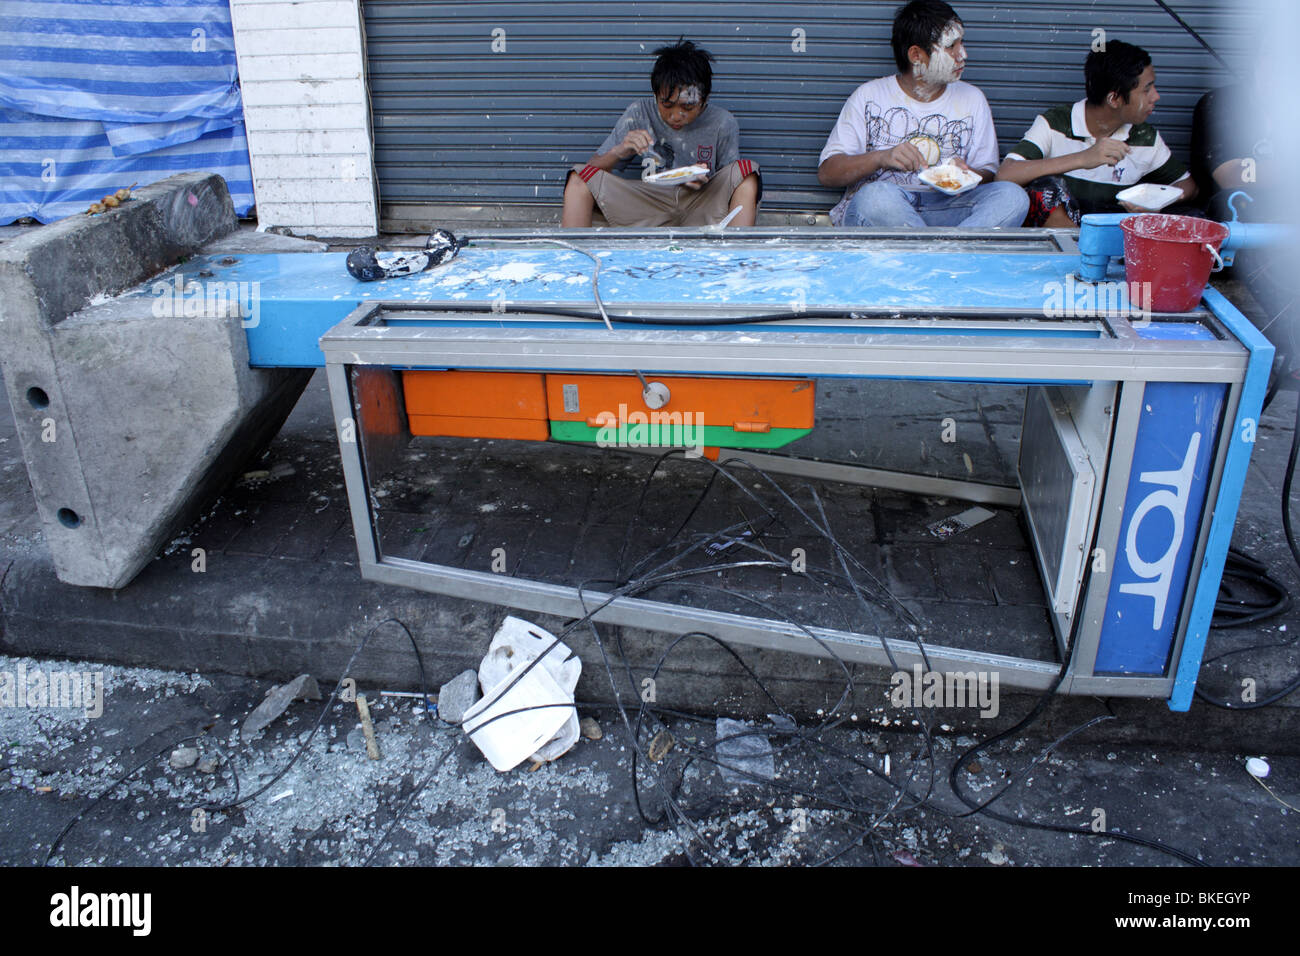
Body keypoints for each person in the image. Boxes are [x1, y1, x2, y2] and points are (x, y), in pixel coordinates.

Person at [816, 0, 1027, 228]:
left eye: (961, 43)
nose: (963, 54)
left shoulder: (973, 98)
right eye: (951, 46)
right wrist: (880, 158)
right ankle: (949, 256)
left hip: (948, 209)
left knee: (1012, 196)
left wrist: (966, 173)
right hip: (889, 212)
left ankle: (933, 253)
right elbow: (828, 174)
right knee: (874, 197)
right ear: (916, 55)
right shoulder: (868, 96)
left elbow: (988, 172)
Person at [561, 39, 760, 228]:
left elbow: (730, 186)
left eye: (688, 107)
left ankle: (736, 257)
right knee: (578, 178)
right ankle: (573, 259)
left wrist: (704, 179)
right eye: (667, 105)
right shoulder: (639, 113)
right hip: (648, 203)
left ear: (704, 100)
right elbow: (591, 170)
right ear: (655, 95)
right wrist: (619, 152)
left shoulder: (722, 122)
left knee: (747, 172)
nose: (676, 116)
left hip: (700, 203)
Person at [996, 39, 1195, 227]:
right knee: (1046, 190)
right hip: (1064, 239)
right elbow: (1005, 175)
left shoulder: (1145, 137)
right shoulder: (1055, 123)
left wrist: (1156, 202)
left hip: (1114, 234)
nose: (1156, 97)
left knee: (1193, 217)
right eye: (1146, 90)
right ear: (1114, 99)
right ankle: (1080, 257)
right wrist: (1083, 158)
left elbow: (1188, 185)